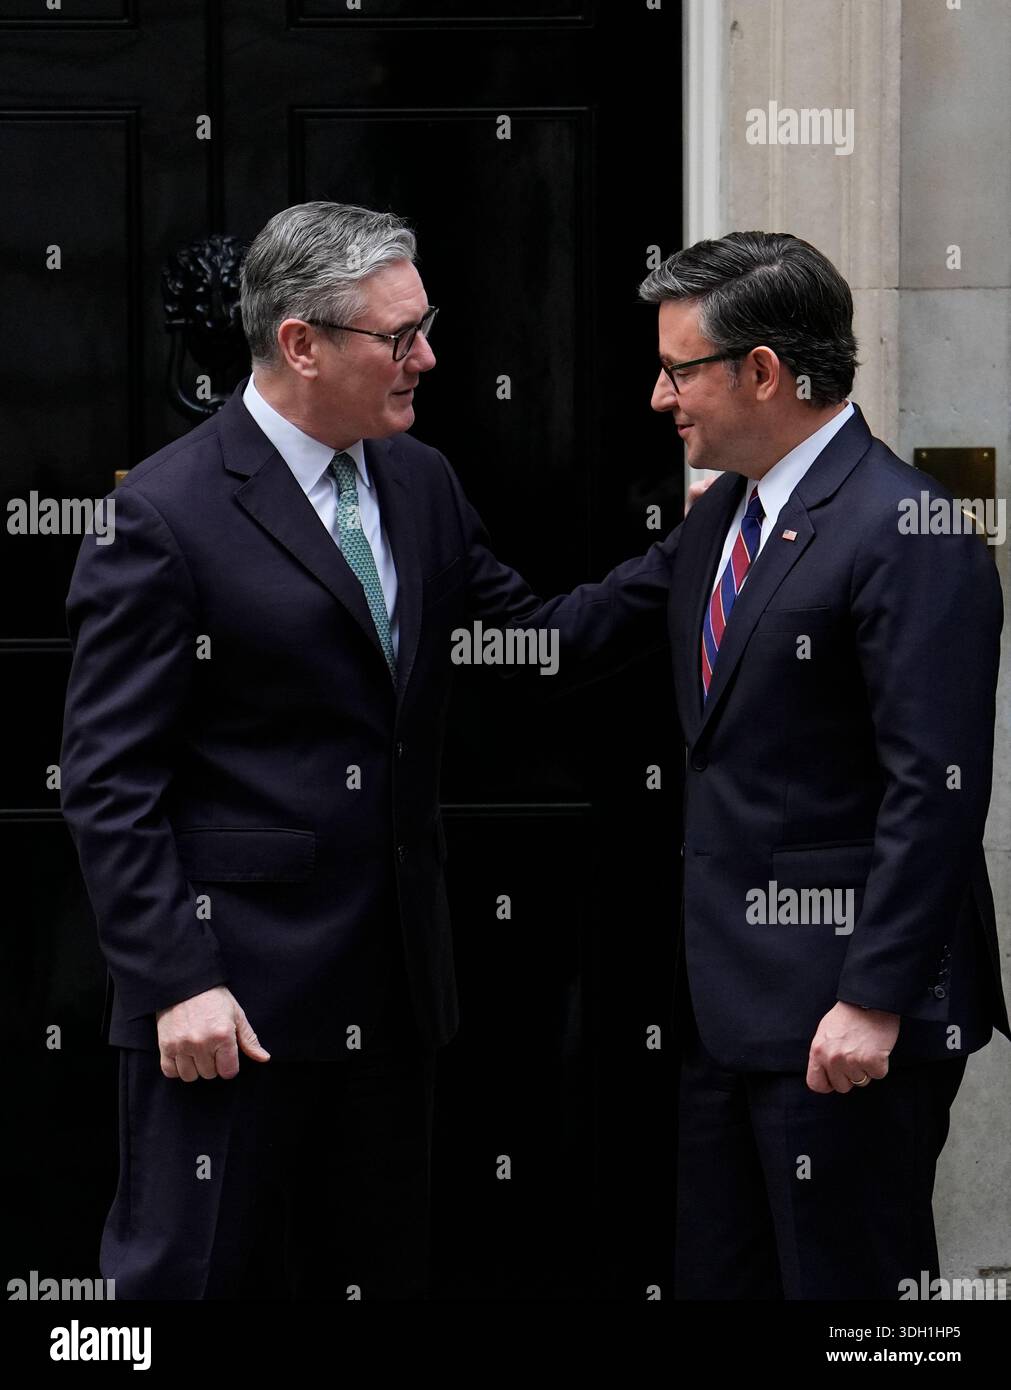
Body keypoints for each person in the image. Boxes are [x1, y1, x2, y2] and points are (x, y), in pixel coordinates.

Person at [59, 200, 655, 1300]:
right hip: (226, 1002)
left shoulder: (418, 480)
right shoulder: (163, 513)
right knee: (188, 1282)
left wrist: (716, 538)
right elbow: (108, 782)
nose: (427, 358)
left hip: (391, 993)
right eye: (401, 336)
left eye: (425, 327)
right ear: (300, 342)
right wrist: (176, 982)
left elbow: (527, 643)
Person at [529, 231, 1008, 1298]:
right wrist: (397, 526)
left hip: (844, 1017)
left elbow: (933, 791)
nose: (660, 397)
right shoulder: (726, 522)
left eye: (679, 368)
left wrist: (875, 998)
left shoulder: (907, 530)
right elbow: (571, 637)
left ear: (762, 372)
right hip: (730, 1012)